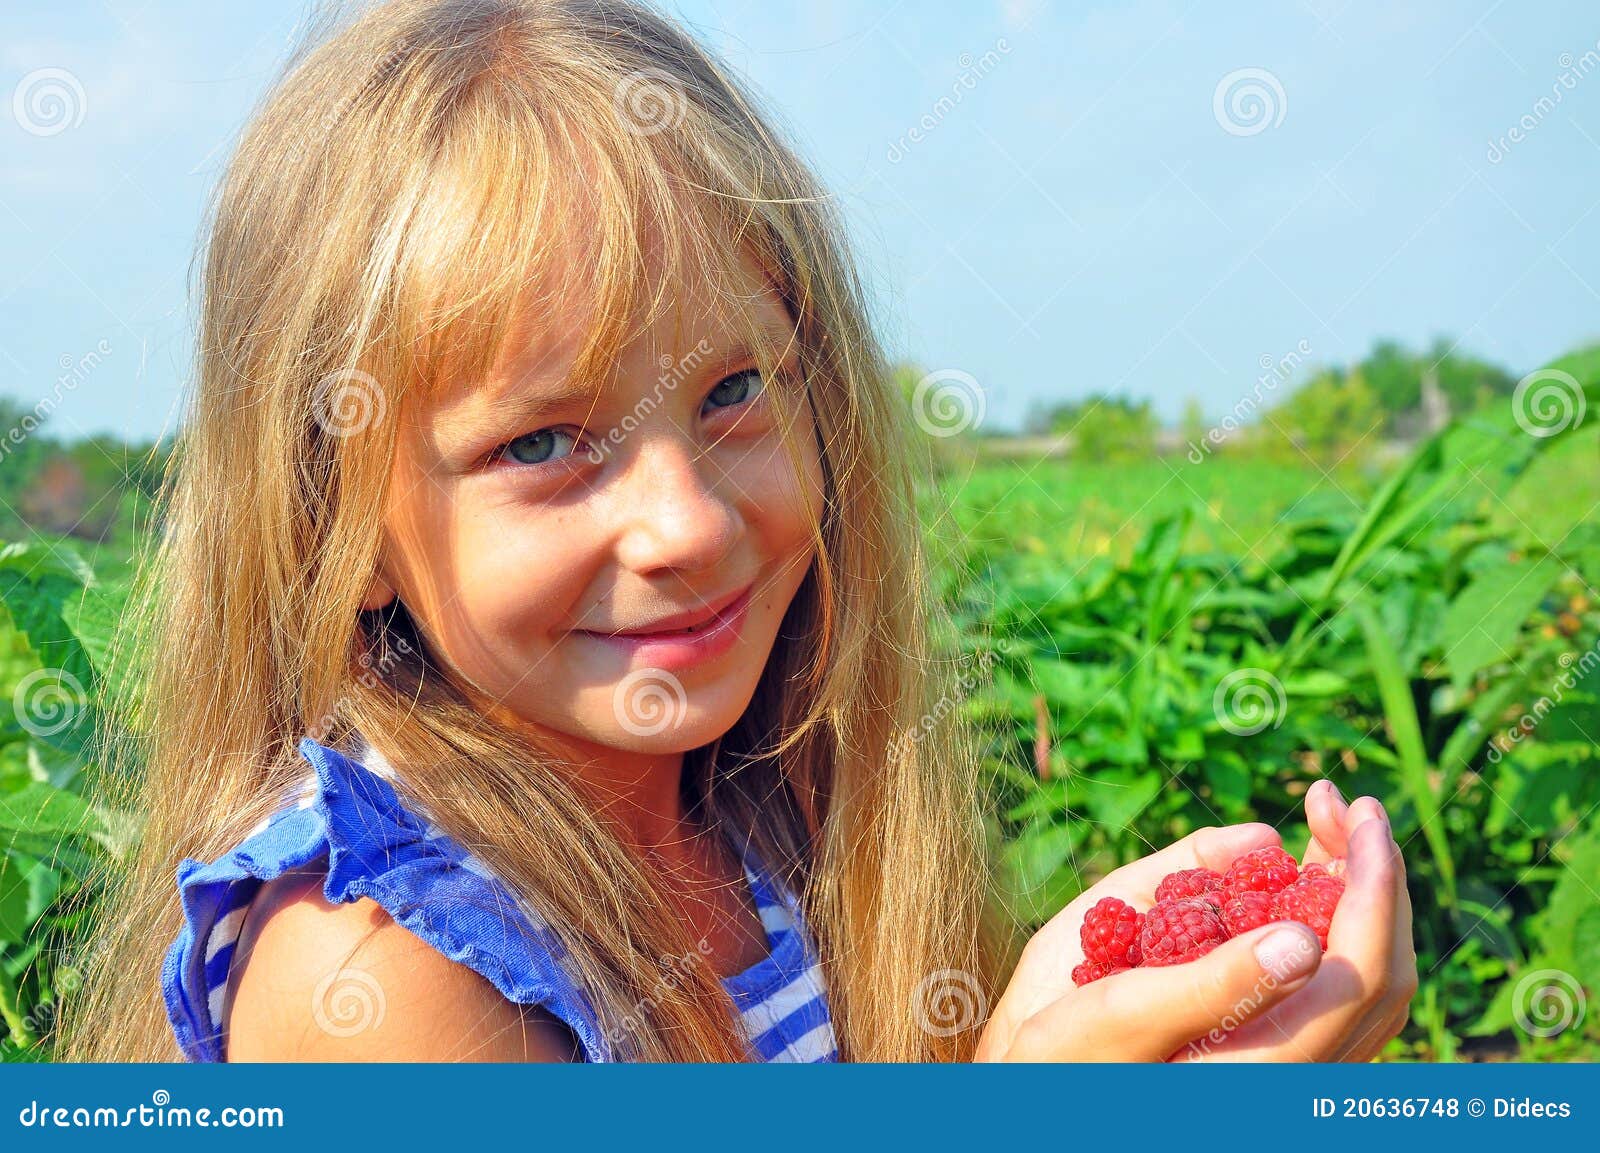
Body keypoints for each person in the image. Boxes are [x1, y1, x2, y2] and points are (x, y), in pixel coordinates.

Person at [57, 0, 1414, 1063]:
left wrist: (1050, 1025)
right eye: (542, 443)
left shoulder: (754, 827)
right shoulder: (381, 969)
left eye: (732, 392)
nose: (688, 522)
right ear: (333, 529)